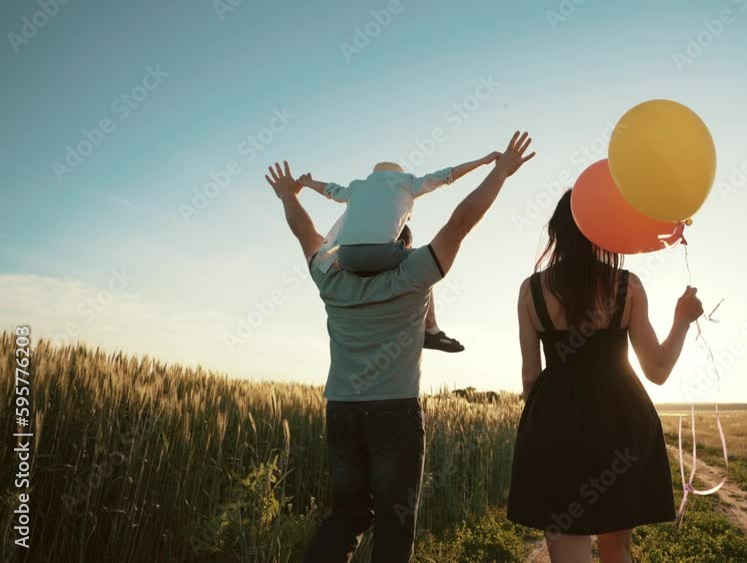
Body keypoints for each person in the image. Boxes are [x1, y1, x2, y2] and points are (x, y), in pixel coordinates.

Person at [264, 131, 534, 563]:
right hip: (395, 415)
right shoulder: (414, 276)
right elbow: (459, 222)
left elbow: (306, 233)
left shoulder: (330, 279)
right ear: (398, 238)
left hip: (342, 413)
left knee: (346, 518)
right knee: (394, 526)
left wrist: (287, 196)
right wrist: (499, 173)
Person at [506, 190, 704, 563]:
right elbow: (657, 371)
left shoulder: (530, 291)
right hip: (620, 422)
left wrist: (544, 421)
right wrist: (681, 320)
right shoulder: (628, 286)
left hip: (554, 423)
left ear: (556, 232)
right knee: (617, 554)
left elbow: (530, 376)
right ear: (605, 232)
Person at [296, 153, 500, 352]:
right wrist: (482, 162)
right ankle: (431, 329)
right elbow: (447, 175)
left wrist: (307, 183)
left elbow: (329, 190)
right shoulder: (407, 183)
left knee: (380, 258)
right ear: (398, 175)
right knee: (426, 261)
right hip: (381, 255)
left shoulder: (357, 186)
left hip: (346, 258)